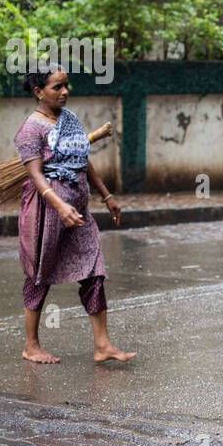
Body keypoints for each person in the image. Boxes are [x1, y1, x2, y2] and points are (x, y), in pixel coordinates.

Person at [14, 62, 135, 365]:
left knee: (94, 270)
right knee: (40, 274)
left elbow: (83, 159)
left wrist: (107, 196)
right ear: (38, 91)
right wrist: (59, 204)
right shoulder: (31, 128)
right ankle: (31, 345)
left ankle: (103, 345)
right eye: (57, 87)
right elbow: (36, 175)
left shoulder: (69, 119)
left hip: (78, 209)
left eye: (66, 85)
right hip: (47, 211)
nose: (65, 92)